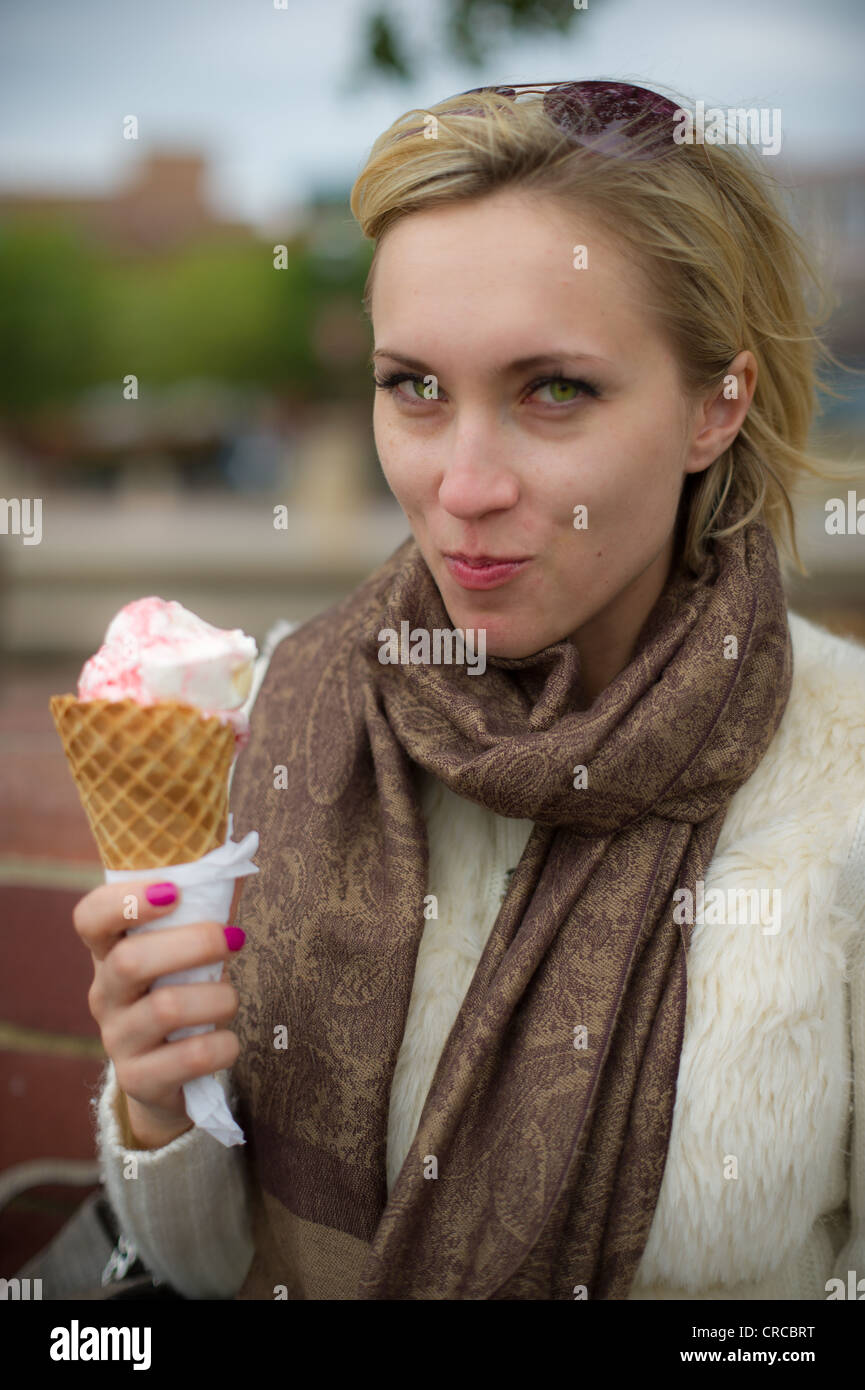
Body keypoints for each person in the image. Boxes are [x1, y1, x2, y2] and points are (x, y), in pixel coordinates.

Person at [74, 81, 865, 1300]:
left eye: (555, 389)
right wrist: (154, 1096)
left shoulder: (846, 768)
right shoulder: (278, 709)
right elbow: (202, 1267)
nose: (464, 483)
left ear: (719, 403)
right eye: (414, 388)